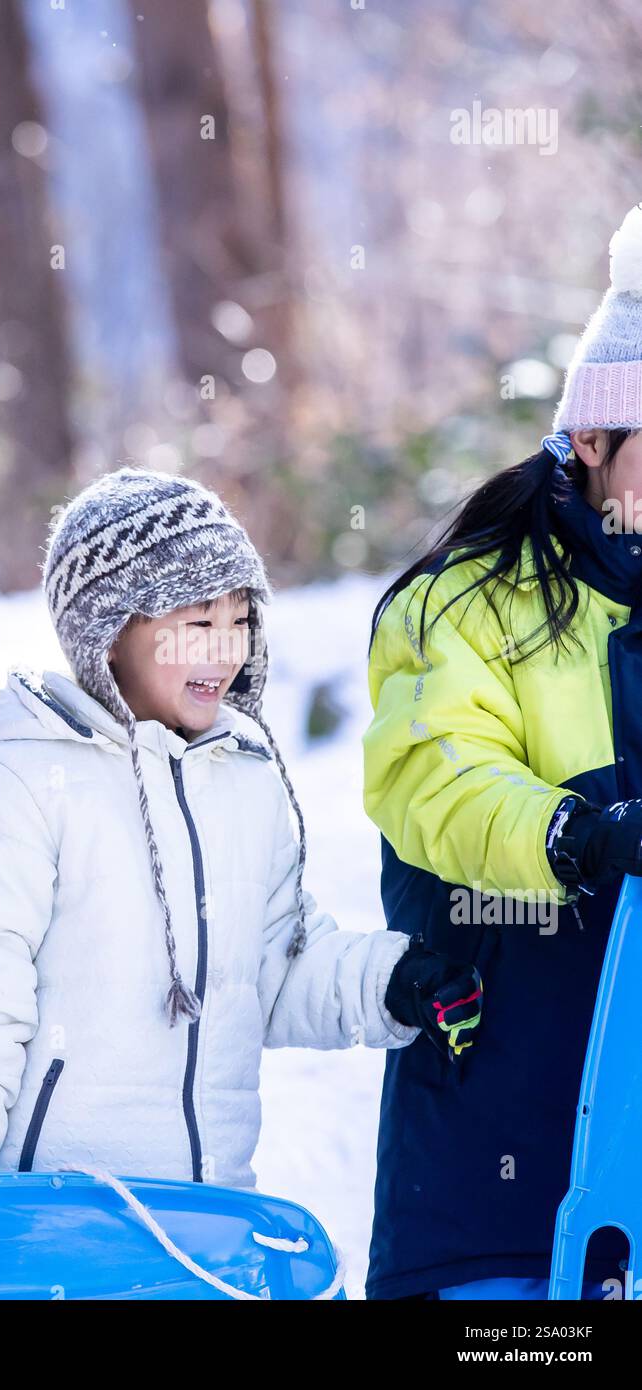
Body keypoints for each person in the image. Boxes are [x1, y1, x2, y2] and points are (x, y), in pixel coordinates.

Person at [0, 466, 482, 1227]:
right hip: (49, 1216)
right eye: (198, 622)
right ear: (111, 628)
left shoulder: (244, 778)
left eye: (240, 620)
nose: (225, 649)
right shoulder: (26, 769)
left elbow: (273, 966)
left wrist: (391, 982)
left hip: (205, 1215)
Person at [362, 202, 642, 1300]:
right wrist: (574, 833)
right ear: (591, 439)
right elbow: (428, 775)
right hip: (496, 1160)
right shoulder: (463, 600)